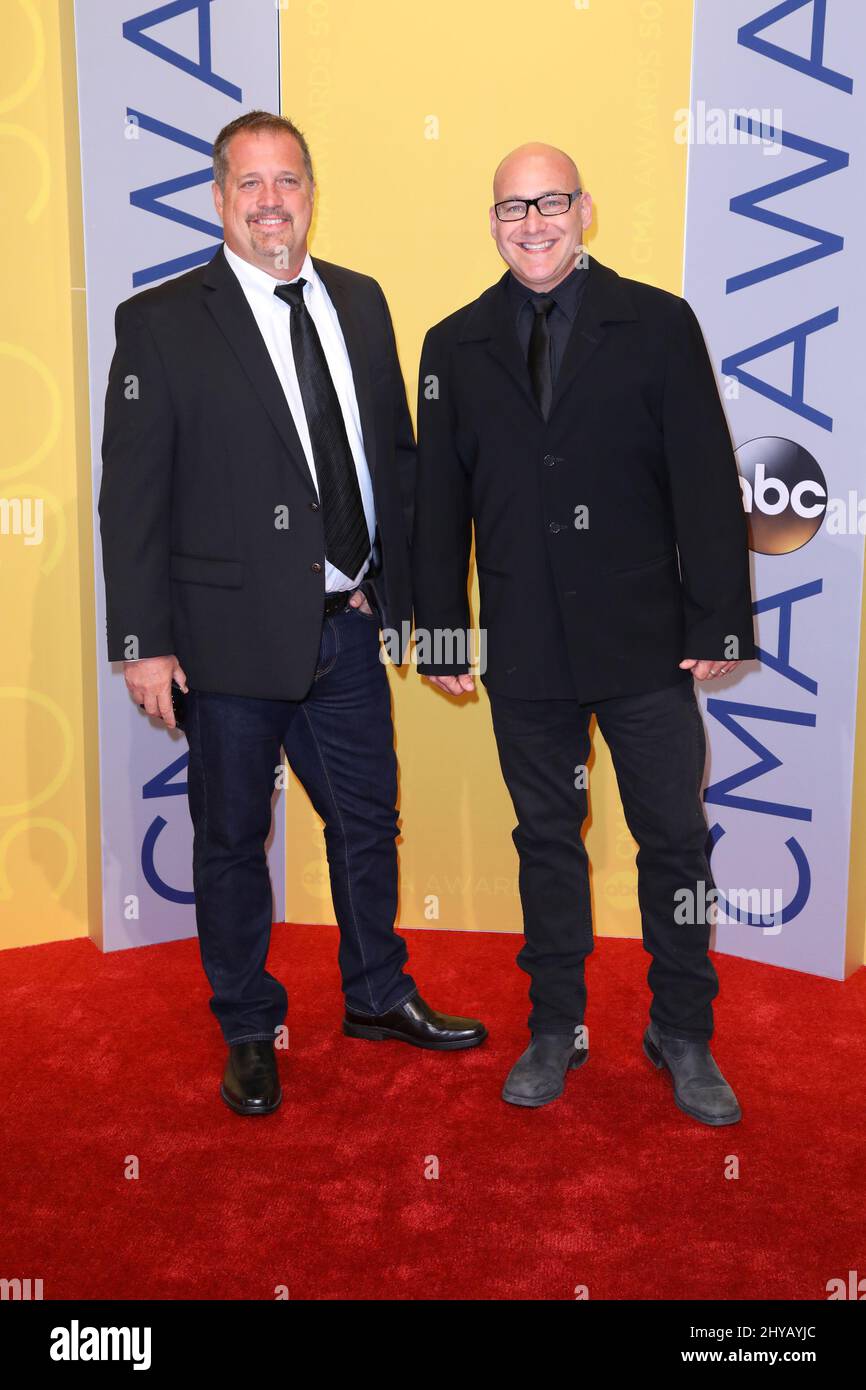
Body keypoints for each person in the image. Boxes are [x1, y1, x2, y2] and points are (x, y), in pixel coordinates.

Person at [98, 110, 486, 1117]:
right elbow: (130, 495)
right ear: (219, 199)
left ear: (310, 192)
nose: (272, 200)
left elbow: (392, 465)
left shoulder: (359, 301)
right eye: (250, 184)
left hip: (345, 625)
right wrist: (142, 642)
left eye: (289, 181)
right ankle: (247, 1025)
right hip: (224, 641)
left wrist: (399, 599)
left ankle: (375, 994)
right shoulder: (161, 322)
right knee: (231, 836)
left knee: (368, 821)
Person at [411, 142, 755, 1123]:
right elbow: (437, 503)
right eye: (510, 206)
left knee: (674, 842)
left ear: (584, 209)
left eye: (548, 201)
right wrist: (441, 631)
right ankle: (553, 1026)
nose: (531, 222)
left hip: (646, 642)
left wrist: (719, 620)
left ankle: (680, 1031)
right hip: (524, 648)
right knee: (544, 843)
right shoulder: (454, 343)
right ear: (491, 222)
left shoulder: (655, 324)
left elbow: (700, 477)